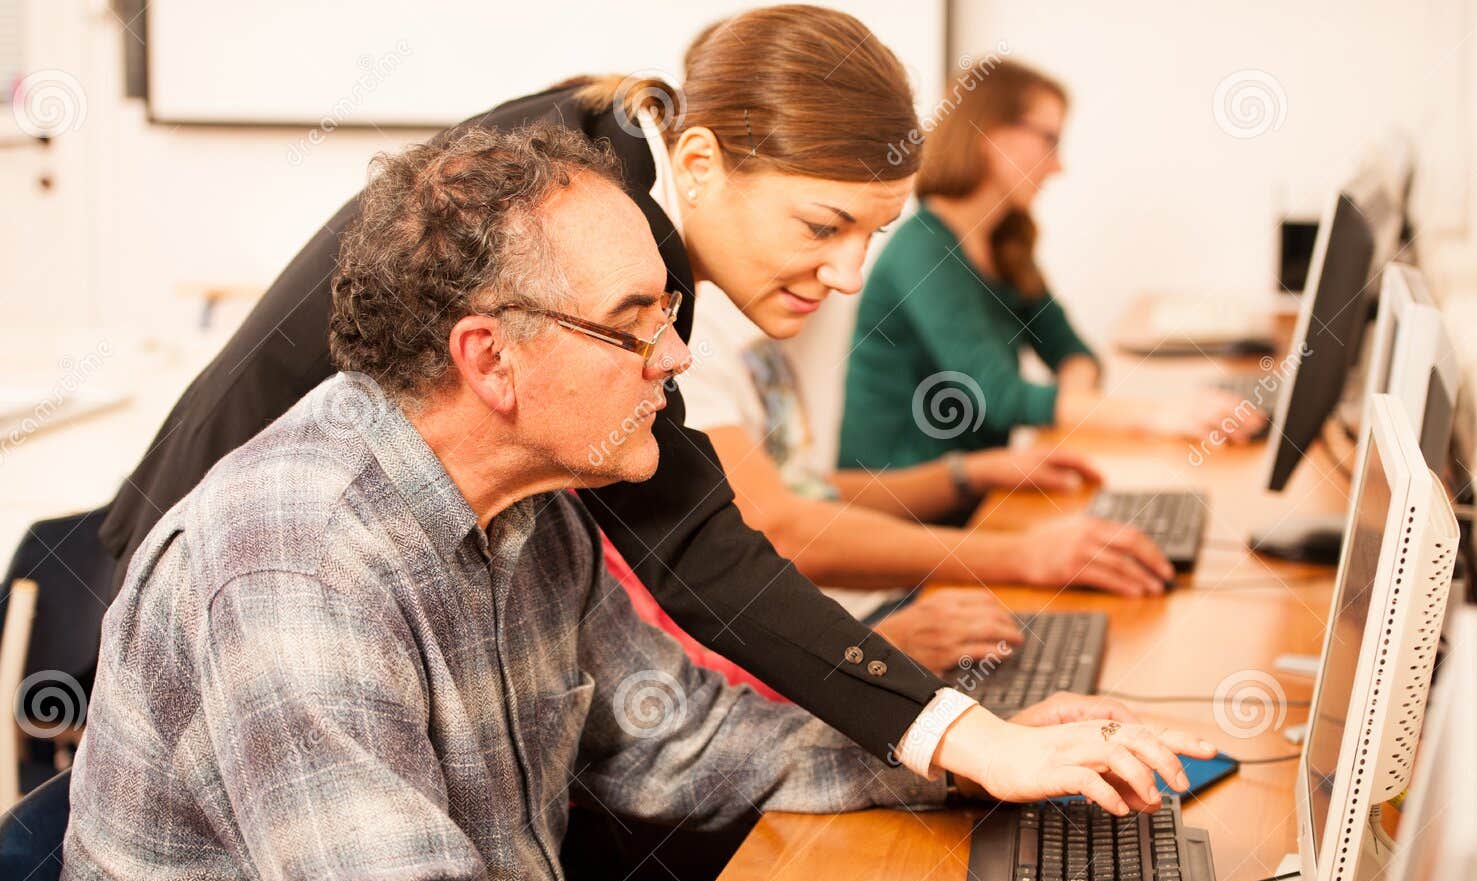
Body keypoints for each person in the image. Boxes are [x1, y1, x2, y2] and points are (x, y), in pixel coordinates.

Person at [56, 125, 1210, 881]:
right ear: (488, 359)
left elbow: (677, 739)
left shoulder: (531, 501)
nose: (675, 355)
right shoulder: (297, 563)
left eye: (667, 311)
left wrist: (962, 760)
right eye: (631, 325)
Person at [93, 5, 1121, 802]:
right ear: (701, 164)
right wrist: (960, 734)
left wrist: (944, 733)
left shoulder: (613, 151)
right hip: (237, 587)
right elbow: (699, 543)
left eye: (872, 235)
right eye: (821, 226)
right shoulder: (600, 229)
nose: (848, 274)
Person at [675, 284, 1175, 669]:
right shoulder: (687, 344)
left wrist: (968, 474)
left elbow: (801, 491)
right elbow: (782, 531)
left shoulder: (738, 323)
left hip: (871, 611)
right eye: (824, 227)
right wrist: (1023, 555)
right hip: (840, 637)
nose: (849, 277)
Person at [839, 60, 1266, 473]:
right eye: (1050, 140)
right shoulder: (922, 248)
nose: (1059, 166)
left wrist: (1076, 404)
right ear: (989, 133)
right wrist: (1155, 415)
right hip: (899, 505)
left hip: (980, 489)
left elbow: (1073, 352)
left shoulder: (1005, 243)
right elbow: (1000, 397)